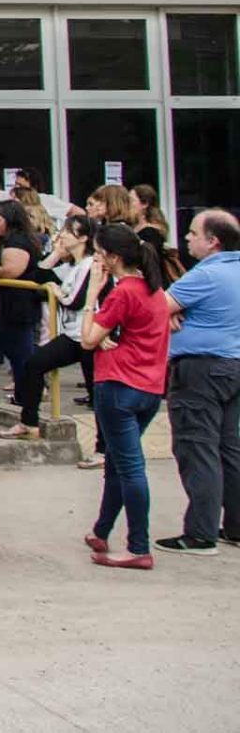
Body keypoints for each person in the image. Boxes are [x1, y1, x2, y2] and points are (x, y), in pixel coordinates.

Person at [83, 222, 172, 569]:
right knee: (120, 464)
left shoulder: (123, 292)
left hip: (119, 384)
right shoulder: (153, 290)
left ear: (113, 258)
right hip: (149, 386)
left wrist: (92, 294)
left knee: (129, 467)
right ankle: (101, 529)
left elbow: (88, 338)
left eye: (100, 253)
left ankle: (138, 546)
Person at [158, 209, 240, 555]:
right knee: (229, 447)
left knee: (197, 446)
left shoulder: (205, 275)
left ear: (213, 241)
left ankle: (200, 533)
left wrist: (174, 310)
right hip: (233, 364)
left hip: (201, 369)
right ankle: (234, 526)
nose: (187, 238)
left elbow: (154, 308)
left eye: (193, 233)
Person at [1, 216, 101, 442]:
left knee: (98, 393)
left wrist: (56, 291)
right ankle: (29, 423)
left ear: (84, 238)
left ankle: (104, 449)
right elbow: (39, 275)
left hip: (90, 334)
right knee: (33, 365)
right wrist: (55, 254)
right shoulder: (72, 265)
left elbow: (77, 300)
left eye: (69, 232)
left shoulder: (90, 264)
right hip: (73, 335)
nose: (63, 235)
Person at [0, 199, 49, 394]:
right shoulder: (8, 240)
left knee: (21, 353)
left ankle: (29, 393)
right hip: (10, 305)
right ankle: (25, 391)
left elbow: (11, 270)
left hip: (19, 306)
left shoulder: (18, 241)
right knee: (15, 351)